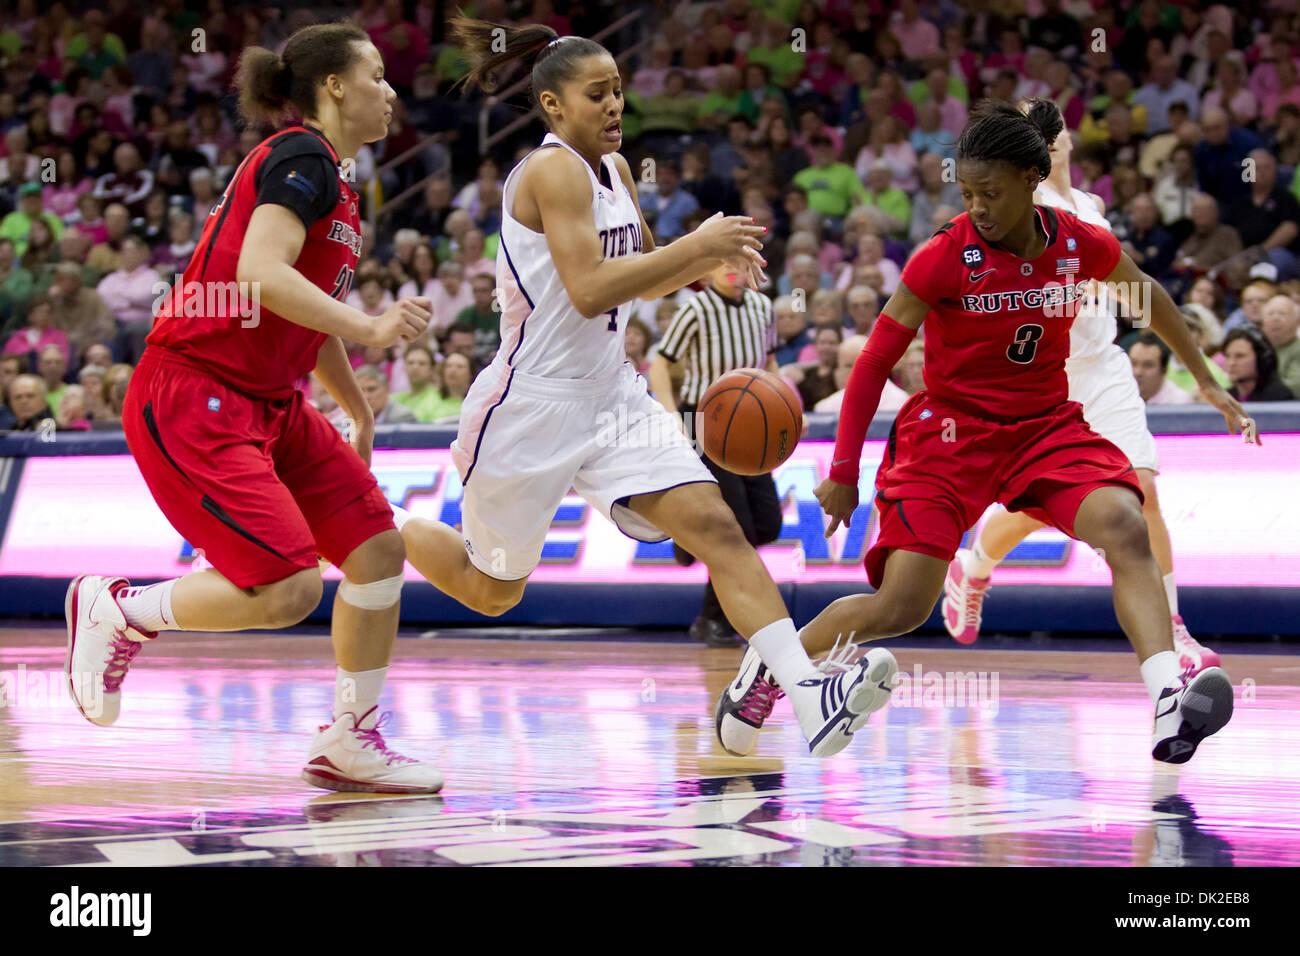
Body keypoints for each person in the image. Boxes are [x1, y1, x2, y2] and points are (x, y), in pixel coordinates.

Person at [394, 17, 891, 758]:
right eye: (597, 94)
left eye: (620, 91)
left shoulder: (618, 172)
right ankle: (376, 524)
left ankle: (806, 691)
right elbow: (592, 289)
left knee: (719, 527)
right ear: (554, 106)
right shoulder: (549, 169)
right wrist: (699, 245)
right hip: (532, 404)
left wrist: (705, 267)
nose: (615, 105)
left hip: (612, 395)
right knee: (493, 591)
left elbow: (643, 269)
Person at [722, 100, 1253, 765]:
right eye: (967, 192)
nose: (977, 206)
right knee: (900, 608)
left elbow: (1149, 295)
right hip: (949, 435)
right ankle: (771, 664)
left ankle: (1166, 696)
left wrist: (1204, 379)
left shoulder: (1075, 243)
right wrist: (841, 472)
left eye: (991, 193)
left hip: (1042, 427)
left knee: (1125, 523)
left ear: (1033, 178)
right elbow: (875, 362)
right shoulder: (944, 255)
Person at [63, 23, 443, 793]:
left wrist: (358, 411)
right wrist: (372, 326)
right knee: (288, 588)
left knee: (376, 549)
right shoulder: (300, 154)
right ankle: (121, 609)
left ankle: (350, 737)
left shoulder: (339, 184)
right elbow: (261, 272)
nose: (392, 89)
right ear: (334, 86)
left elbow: (303, 305)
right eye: (376, 74)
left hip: (272, 399)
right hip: (195, 390)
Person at [943, 99, 1221, 676]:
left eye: (1052, 129)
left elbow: (1117, 281)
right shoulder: (1022, 204)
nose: (1047, 140)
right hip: (1048, 375)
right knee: (1049, 509)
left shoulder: (1090, 205)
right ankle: (973, 565)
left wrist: (1142, 303)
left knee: (1142, 491)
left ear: (1066, 138)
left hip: (1105, 366)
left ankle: (1174, 634)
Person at [649, 261, 783, 647]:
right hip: (703, 418)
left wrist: (789, 405)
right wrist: (672, 414)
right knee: (735, 526)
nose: (731, 270)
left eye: (739, 263)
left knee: (768, 523)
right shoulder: (694, 308)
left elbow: (769, 363)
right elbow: (661, 363)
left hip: (752, 422)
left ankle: (687, 538)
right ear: (707, 272)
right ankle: (715, 619)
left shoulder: (763, 309)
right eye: (723, 263)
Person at [1222, 325, 1296, 401]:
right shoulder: (1224, 397)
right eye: (1227, 356)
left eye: (1240, 356)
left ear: (1261, 359)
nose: (1231, 363)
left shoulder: (1279, 396)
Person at [1129, 332, 1193, 404]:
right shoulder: (1119, 395)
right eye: (1133, 363)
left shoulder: (1180, 402)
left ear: (1164, 370)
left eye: (1147, 365)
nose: (1137, 372)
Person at [1260, 293, 1300, 395]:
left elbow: (1295, 388)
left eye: (1282, 314)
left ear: (1297, 322)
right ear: (1262, 323)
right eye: (1270, 314)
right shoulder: (1256, 349)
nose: (1275, 319)